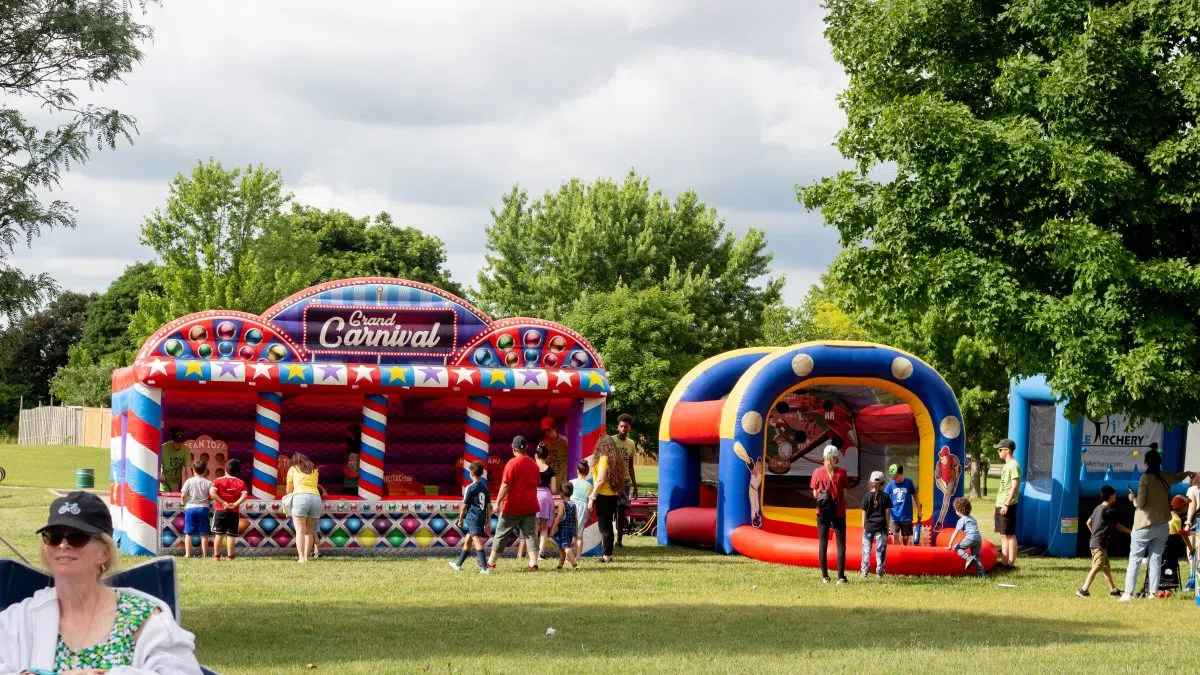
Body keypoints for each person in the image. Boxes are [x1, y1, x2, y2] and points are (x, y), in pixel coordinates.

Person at [0, 491, 202, 673]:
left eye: (77, 537)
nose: (63, 545)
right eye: (54, 537)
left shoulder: (140, 618)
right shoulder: (19, 619)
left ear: (103, 552)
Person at [1120, 449, 1194, 601]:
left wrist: (1132, 499)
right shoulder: (1166, 477)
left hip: (1143, 524)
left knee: (1135, 558)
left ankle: (1128, 593)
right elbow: (1177, 478)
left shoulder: (1145, 479)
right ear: (1160, 462)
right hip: (1162, 525)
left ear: (1146, 463)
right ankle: (1152, 593)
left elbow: (1140, 503)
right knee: (1156, 559)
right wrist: (1188, 473)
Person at [488, 436, 542, 571]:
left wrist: (497, 502)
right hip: (530, 506)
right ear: (526, 448)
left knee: (501, 533)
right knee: (530, 534)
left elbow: (506, 485)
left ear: (513, 449)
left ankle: (491, 563)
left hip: (512, 506)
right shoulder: (534, 465)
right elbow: (536, 482)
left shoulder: (512, 463)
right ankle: (533, 563)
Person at [1077, 485, 1130, 597]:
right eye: (1114, 494)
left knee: (1105, 567)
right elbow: (1119, 526)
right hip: (1099, 543)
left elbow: (1088, 522)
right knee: (1097, 566)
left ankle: (1113, 590)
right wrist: (1131, 532)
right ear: (1110, 496)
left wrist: (1094, 534)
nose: (1115, 495)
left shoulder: (1098, 508)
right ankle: (1083, 590)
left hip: (1096, 542)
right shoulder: (1109, 511)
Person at [587, 435, 630, 563]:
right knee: (608, 527)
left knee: (604, 527)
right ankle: (608, 554)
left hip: (603, 496)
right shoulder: (614, 459)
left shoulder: (604, 459)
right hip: (612, 496)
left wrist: (592, 498)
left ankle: (606, 555)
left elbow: (600, 480)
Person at [810, 444, 849, 584]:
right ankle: (840, 577)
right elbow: (844, 494)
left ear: (823, 457)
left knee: (823, 543)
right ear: (836, 458)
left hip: (822, 512)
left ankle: (825, 577)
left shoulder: (817, 472)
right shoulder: (842, 473)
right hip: (838, 511)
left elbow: (815, 494)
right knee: (841, 544)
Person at [451, 460, 491, 573]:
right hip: (481, 517)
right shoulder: (484, 487)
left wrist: (460, 519)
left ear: (471, 473)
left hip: (473, 517)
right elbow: (488, 506)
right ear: (482, 473)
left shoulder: (470, 488)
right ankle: (458, 565)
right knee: (468, 540)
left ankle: (485, 568)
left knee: (477, 541)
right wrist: (488, 521)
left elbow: (464, 506)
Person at [286, 452, 324, 564]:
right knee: (309, 531)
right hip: (316, 499)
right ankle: (307, 558)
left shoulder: (293, 469)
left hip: (300, 497)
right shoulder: (314, 471)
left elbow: (288, 490)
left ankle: (301, 558)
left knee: (300, 530)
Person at [209, 458, 247, 561]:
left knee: (218, 535)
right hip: (233, 512)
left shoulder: (218, 480)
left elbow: (212, 493)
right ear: (238, 472)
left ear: (225, 469)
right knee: (231, 536)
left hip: (220, 511)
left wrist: (222, 502)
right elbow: (244, 495)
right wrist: (235, 504)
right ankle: (230, 557)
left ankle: (216, 557)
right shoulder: (241, 483)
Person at [611, 413, 639, 548]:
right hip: (611, 481)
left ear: (630, 429)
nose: (623, 429)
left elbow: (631, 466)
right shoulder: (610, 441)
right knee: (610, 510)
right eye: (621, 426)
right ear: (618, 427)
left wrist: (635, 485)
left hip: (625, 480)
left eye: (626, 427)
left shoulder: (631, 444)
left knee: (621, 511)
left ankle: (619, 541)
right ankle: (608, 538)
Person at [993, 439, 1021, 569]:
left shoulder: (1013, 465)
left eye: (1000, 449)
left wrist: (1006, 504)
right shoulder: (1006, 466)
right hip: (1000, 503)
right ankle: (1004, 562)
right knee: (1003, 534)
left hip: (1007, 504)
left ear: (1007, 450)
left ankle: (1011, 563)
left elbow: (1015, 486)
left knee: (1009, 534)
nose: (998, 452)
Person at [860, 471, 892, 578]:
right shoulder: (886, 497)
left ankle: (864, 572)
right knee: (880, 550)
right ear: (883, 483)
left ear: (871, 482)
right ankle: (879, 572)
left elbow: (863, 514)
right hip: (881, 527)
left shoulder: (866, 496)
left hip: (868, 527)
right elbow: (887, 514)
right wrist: (888, 526)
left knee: (866, 550)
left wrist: (864, 526)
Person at [179, 460, 213, 559]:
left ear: (193, 470)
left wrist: (182, 505)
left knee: (188, 532)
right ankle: (204, 554)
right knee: (204, 532)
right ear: (205, 470)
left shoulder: (189, 481)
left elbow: (183, 495)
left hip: (190, 508)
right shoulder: (208, 482)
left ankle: (188, 554)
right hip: (203, 508)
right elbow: (211, 495)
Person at [945, 497, 986, 578]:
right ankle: (982, 575)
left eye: (955, 510)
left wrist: (950, 544)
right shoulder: (972, 518)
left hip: (971, 537)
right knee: (976, 557)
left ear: (958, 511)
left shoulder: (962, 520)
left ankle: (968, 558)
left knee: (956, 548)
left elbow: (955, 533)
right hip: (978, 538)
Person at [886, 464, 921, 546]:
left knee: (905, 537)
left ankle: (904, 550)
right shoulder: (891, 484)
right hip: (894, 515)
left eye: (895, 476)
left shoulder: (909, 482)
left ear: (901, 473)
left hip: (906, 515)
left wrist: (919, 510)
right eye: (892, 477)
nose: (894, 478)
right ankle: (897, 553)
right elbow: (884, 496)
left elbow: (915, 497)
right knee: (895, 535)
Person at [534, 443, 558, 558]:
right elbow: (553, 490)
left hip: (534, 496)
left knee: (534, 527)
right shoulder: (551, 470)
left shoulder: (532, 468)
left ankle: (532, 552)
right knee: (544, 528)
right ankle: (541, 553)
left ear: (536, 456)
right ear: (547, 456)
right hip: (546, 498)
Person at [551, 483, 579, 570]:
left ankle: (575, 565)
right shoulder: (573, 504)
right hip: (571, 529)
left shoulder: (561, 504)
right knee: (562, 548)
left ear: (562, 493)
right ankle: (560, 565)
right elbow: (576, 518)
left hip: (564, 530)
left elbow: (559, 517)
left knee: (566, 548)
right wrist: (576, 531)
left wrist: (553, 528)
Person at [539, 417, 569, 491]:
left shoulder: (565, 442)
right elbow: (538, 463)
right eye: (545, 431)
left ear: (555, 428)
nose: (547, 433)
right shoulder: (542, 444)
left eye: (549, 430)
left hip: (562, 484)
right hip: (547, 484)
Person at [569, 461, 592, 554]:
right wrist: (589, 515)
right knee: (579, 535)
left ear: (577, 471)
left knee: (569, 533)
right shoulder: (590, 486)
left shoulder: (571, 483)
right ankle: (578, 555)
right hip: (583, 508)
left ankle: (568, 554)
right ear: (587, 472)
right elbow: (590, 502)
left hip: (572, 506)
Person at [159, 427, 190, 493]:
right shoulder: (163, 448)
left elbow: (188, 469)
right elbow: (156, 463)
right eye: (176, 441)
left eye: (180, 441)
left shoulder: (185, 450)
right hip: (164, 482)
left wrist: (191, 483)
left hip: (175, 483)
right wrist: (159, 473)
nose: (178, 444)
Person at [1185, 475, 1200, 589]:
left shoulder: (1193, 489)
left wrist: (1188, 522)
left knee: (1192, 549)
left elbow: (1192, 505)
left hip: (1197, 521)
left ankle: (1193, 579)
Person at [343, 424, 361, 495]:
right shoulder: (348, 446)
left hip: (357, 480)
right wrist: (346, 471)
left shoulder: (361, 446)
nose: (347, 434)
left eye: (349, 432)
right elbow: (345, 462)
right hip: (348, 479)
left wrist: (358, 473)